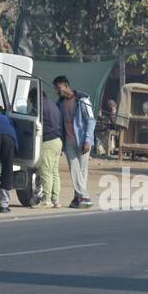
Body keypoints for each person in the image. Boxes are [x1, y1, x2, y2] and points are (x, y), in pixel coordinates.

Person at [54, 75, 95, 208]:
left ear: (66, 86)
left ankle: (78, 198)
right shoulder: (60, 103)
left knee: (82, 170)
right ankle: (84, 196)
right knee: (74, 168)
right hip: (68, 142)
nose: (57, 91)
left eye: (59, 88)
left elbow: (90, 120)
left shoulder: (82, 100)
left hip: (82, 140)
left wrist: (88, 140)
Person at [37, 85, 63, 208]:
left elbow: (33, 119)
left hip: (48, 142)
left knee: (45, 172)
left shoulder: (40, 106)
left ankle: (46, 200)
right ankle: (56, 200)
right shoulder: (53, 104)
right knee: (54, 172)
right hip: (58, 141)